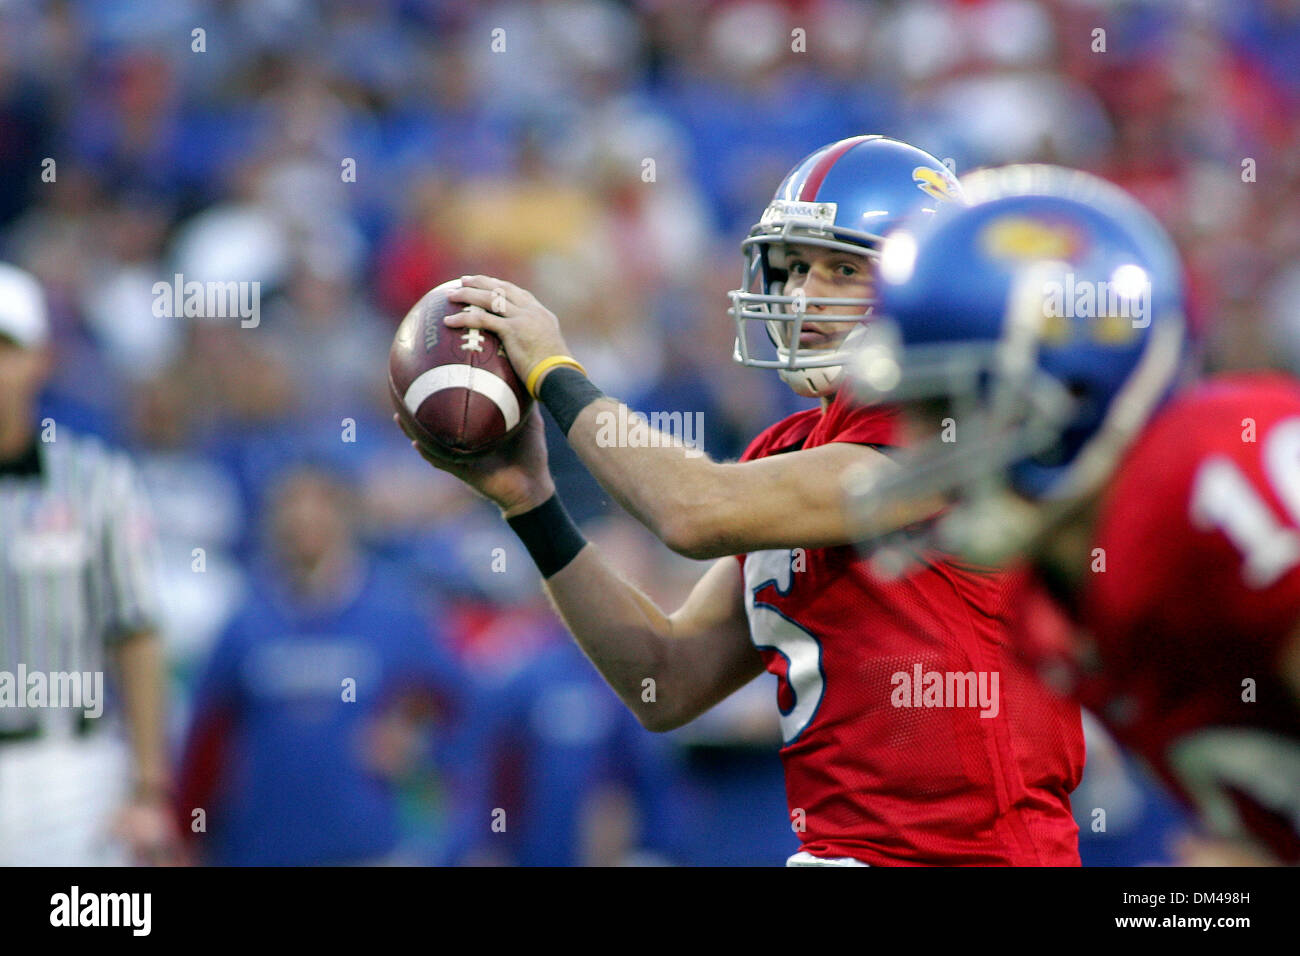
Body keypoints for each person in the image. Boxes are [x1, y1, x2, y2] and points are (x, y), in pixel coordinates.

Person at [399, 136, 1085, 865]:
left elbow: (693, 512)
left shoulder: (949, 429)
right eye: (793, 269)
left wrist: (557, 373)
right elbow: (666, 679)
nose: (801, 295)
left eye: (843, 270)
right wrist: (532, 503)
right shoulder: (792, 452)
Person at [845, 163, 1300, 864]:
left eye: (942, 410)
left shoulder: (1203, 476)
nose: (913, 446)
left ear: (1068, 385)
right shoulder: (1057, 604)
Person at [174, 464, 466, 865]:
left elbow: (459, 707)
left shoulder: (396, 614)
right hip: (259, 849)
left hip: (366, 848)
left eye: (321, 502)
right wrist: (188, 835)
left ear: (347, 515)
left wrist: (415, 736)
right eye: (291, 503)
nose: (305, 516)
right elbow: (205, 739)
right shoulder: (245, 621)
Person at [0, 260, 178, 866]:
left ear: (41, 360)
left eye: (7, 349)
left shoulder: (95, 481)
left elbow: (136, 632)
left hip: (67, 769)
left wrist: (150, 787)